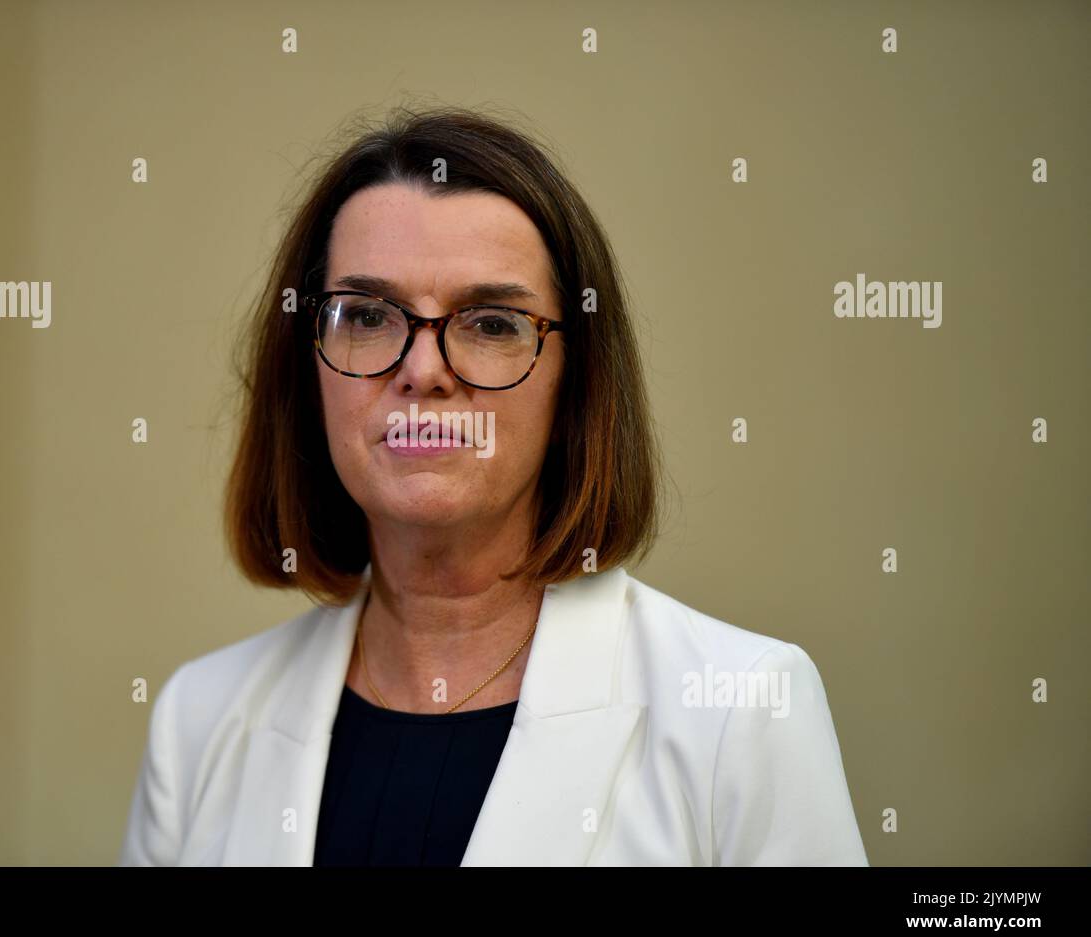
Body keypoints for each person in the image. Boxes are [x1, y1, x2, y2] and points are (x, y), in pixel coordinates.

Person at [119, 105, 867, 866]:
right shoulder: (199, 721)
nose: (424, 371)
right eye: (369, 315)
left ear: (578, 382)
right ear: (305, 367)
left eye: (492, 324)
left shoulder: (741, 709)